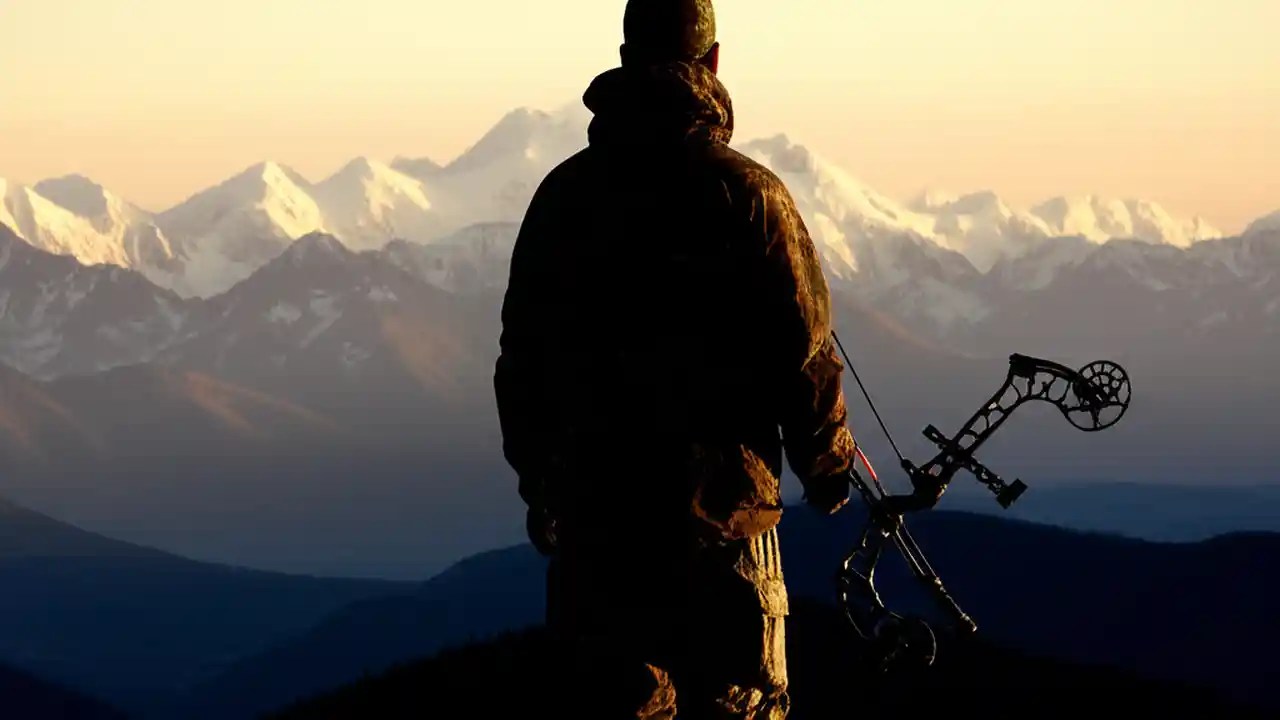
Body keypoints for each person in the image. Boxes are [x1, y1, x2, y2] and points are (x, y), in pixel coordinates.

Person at [493, 0, 857, 716]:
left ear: (625, 57)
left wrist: (541, 485)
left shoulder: (564, 197)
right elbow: (806, 353)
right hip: (722, 522)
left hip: (596, 527)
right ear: (713, 62)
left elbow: (521, 362)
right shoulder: (752, 195)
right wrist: (827, 466)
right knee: (739, 703)